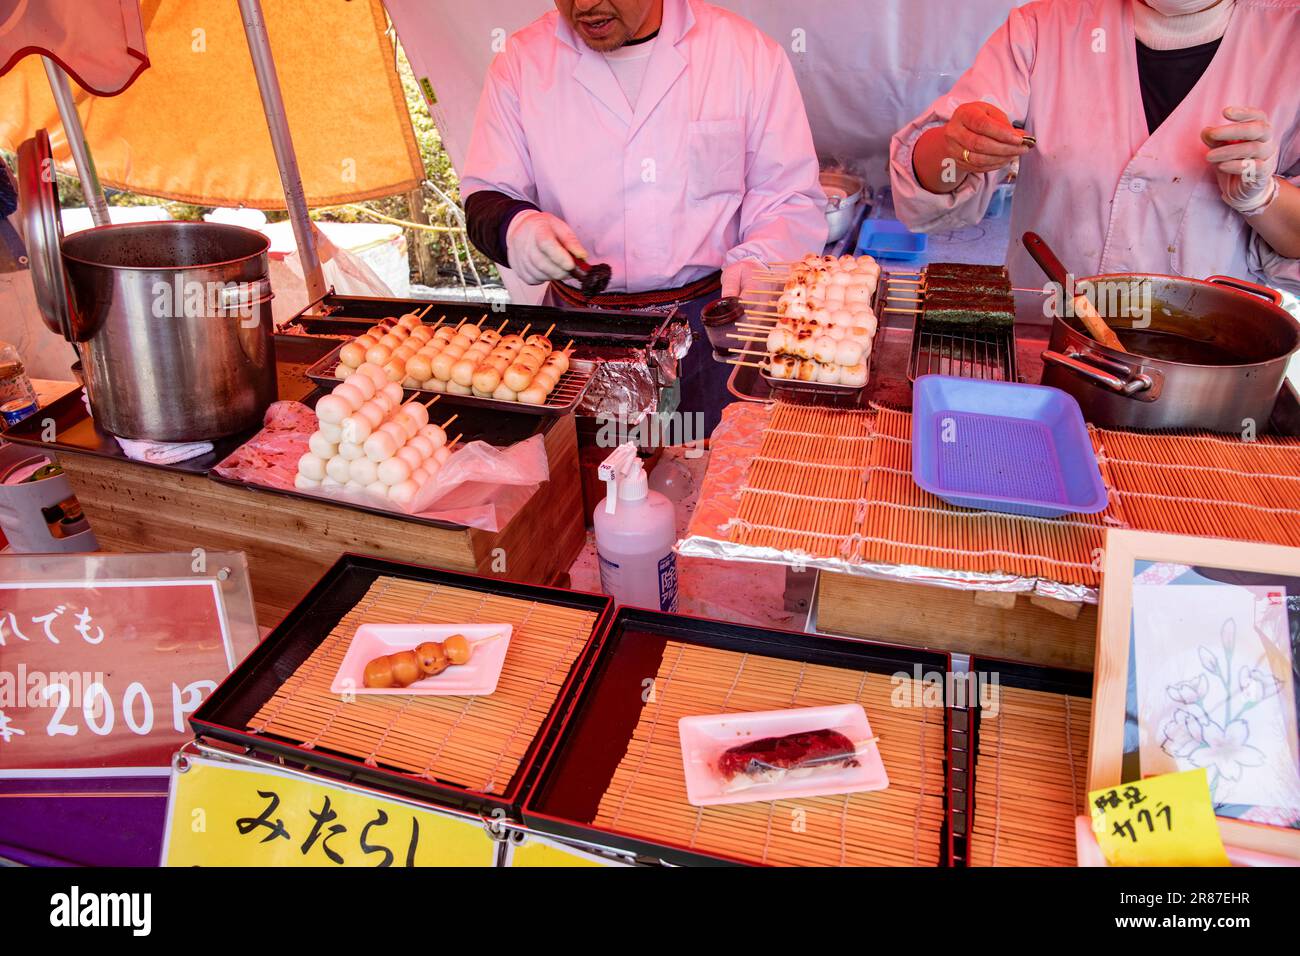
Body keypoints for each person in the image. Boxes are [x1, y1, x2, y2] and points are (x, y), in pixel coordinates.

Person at [461, 0, 826, 436]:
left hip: (711, 329)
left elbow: (789, 196)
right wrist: (515, 226)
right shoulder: (523, 62)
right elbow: (488, 195)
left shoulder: (744, 55)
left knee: (709, 480)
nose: (585, 6)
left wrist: (763, 264)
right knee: (584, 487)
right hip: (576, 336)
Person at [890, 0, 1300, 295]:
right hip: (1044, 338)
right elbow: (928, 185)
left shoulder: (1288, 41)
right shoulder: (1045, 25)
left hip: (1206, 363)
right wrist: (956, 147)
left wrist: (1262, 197)